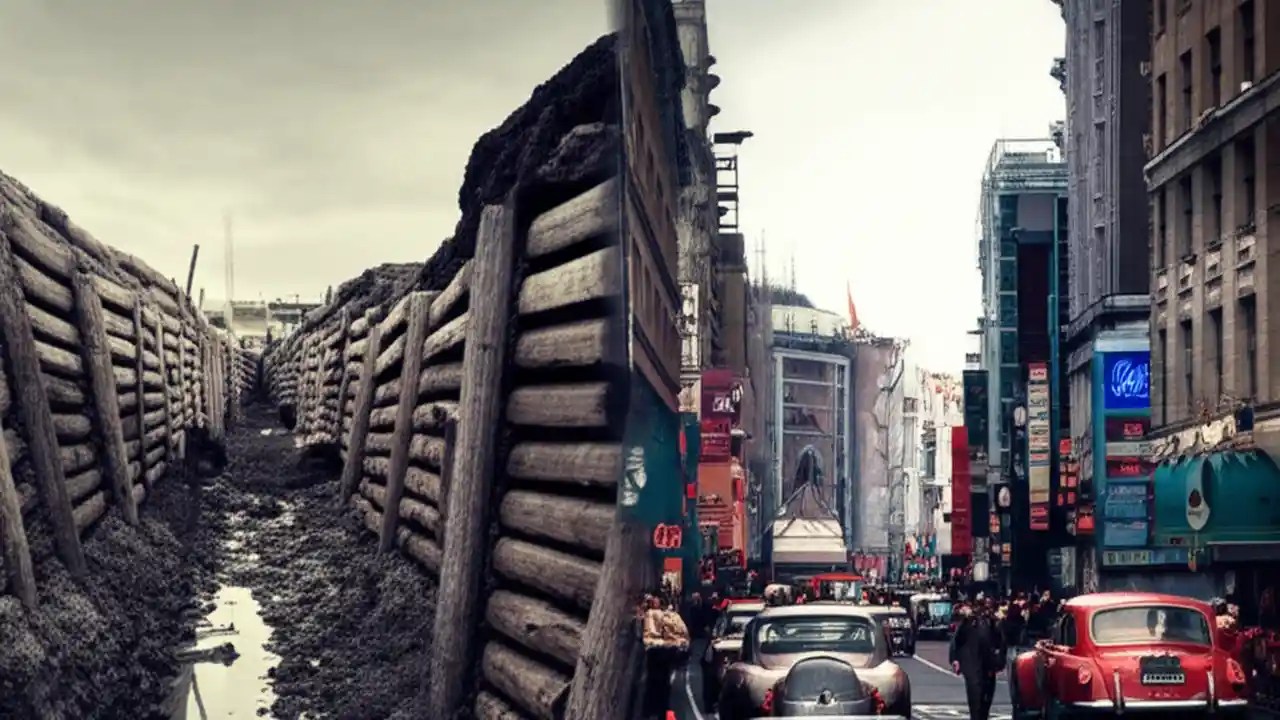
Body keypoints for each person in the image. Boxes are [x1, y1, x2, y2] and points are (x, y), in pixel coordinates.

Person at [950, 603, 1005, 720]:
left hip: (989, 665)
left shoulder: (993, 623)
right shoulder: (968, 622)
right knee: (975, 697)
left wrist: (999, 662)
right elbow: (956, 640)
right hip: (972, 664)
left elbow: (1001, 643)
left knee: (987, 698)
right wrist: (955, 659)